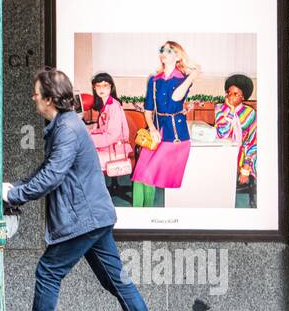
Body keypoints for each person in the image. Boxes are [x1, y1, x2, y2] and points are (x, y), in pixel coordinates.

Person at [4, 67, 163, 311]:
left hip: (83, 218)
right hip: (94, 216)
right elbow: (49, 169)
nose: (33, 97)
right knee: (117, 281)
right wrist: (19, 187)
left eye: (37, 93)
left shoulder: (66, 128)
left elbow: (53, 175)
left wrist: (14, 196)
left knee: (49, 271)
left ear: (49, 98)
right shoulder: (66, 125)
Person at [131, 40, 200, 208]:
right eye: (162, 50)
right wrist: (153, 128)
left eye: (169, 51)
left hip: (175, 135)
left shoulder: (182, 79)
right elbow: (148, 109)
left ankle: (146, 213)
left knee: (148, 174)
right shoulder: (154, 80)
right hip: (156, 130)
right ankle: (139, 214)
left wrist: (192, 76)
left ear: (178, 57)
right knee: (140, 173)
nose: (163, 52)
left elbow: (175, 99)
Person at [87, 72, 132, 202]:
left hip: (117, 150)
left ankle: (96, 197)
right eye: (98, 86)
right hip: (110, 148)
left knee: (84, 159)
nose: (101, 89)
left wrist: (88, 140)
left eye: (105, 86)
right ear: (94, 88)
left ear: (111, 87)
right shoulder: (105, 105)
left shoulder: (114, 106)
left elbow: (112, 135)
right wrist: (92, 131)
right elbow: (105, 128)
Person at [215, 73, 258, 208]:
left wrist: (245, 168)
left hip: (244, 153)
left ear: (243, 97)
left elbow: (253, 140)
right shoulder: (219, 109)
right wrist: (231, 111)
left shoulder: (249, 113)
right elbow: (222, 133)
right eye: (229, 92)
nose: (230, 96)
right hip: (222, 151)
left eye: (235, 94)